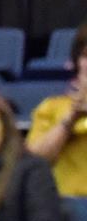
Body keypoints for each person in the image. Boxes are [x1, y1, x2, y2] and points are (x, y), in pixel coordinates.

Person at [26, 18, 87, 197]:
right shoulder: (51, 107)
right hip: (67, 208)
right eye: (85, 55)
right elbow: (33, 164)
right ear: (77, 63)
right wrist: (70, 120)